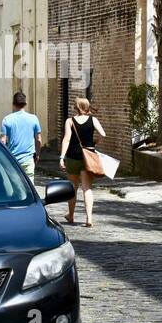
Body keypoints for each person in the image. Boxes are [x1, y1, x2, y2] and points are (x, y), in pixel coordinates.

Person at [59, 97, 106, 228]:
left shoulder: (70, 121)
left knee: (73, 188)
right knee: (87, 188)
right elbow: (103, 134)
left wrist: (62, 157)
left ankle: (71, 215)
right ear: (87, 107)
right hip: (88, 158)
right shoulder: (93, 120)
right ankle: (89, 218)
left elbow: (66, 139)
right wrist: (94, 143)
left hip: (73, 157)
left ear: (76, 107)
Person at [0, 91, 41, 179]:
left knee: (15, 187)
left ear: (13, 104)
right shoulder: (34, 119)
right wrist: (37, 154)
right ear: (25, 103)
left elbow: (3, 141)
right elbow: (38, 140)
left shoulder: (7, 120)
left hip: (13, 160)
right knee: (30, 187)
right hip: (28, 159)